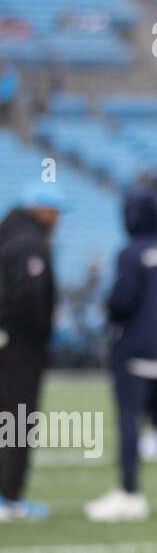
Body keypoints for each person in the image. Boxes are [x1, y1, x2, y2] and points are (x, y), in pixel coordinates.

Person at [86, 187, 157, 522]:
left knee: (130, 422)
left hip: (135, 353)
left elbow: (122, 302)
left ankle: (130, 493)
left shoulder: (131, 253)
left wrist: (108, 310)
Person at [0, 182, 65, 522]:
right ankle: (9, 497)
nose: (58, 220)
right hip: (21, 350)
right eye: (54, 212)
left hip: (8, 344)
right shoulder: (29, 245)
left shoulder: (8, 235)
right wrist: (41, 334)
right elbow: (29, 301)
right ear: (40, 209)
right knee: (18, 420)